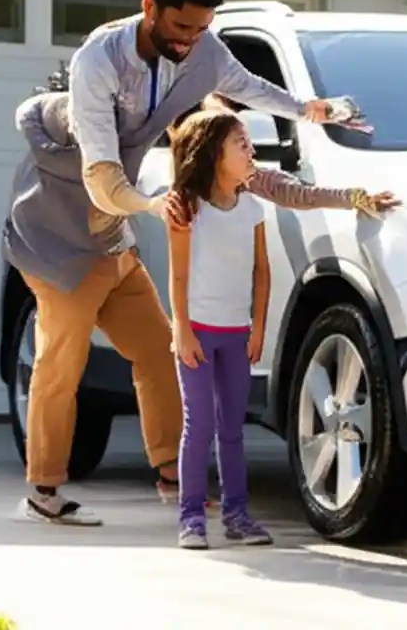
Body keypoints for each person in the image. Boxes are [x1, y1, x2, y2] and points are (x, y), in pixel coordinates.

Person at [5, 0, 398, 526]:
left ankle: (173, 473)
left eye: (204, 28)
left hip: (112, 238)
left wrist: (309, 110)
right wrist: (149, 204)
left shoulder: (203, 53)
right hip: (58, 232)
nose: (192, 39)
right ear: (150, 7)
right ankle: (43, 492)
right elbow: (100, 173)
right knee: (61, 365)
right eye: (183, 26)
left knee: (159, 352)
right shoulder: (100, 61)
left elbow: (249, 86)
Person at [167, 108, 274, 548]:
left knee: (232, 429)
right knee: (200, 427)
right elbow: (177, 277)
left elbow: (262, 273)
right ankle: (191, 518)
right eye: (241, 144)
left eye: (249, 143)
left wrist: (258, 329)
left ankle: (238, 514)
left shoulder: (252, 208)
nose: (251, 151)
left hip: (236, 334)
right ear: (215, 153)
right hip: (197, 331)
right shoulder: (188, 208)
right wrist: (182, 332)